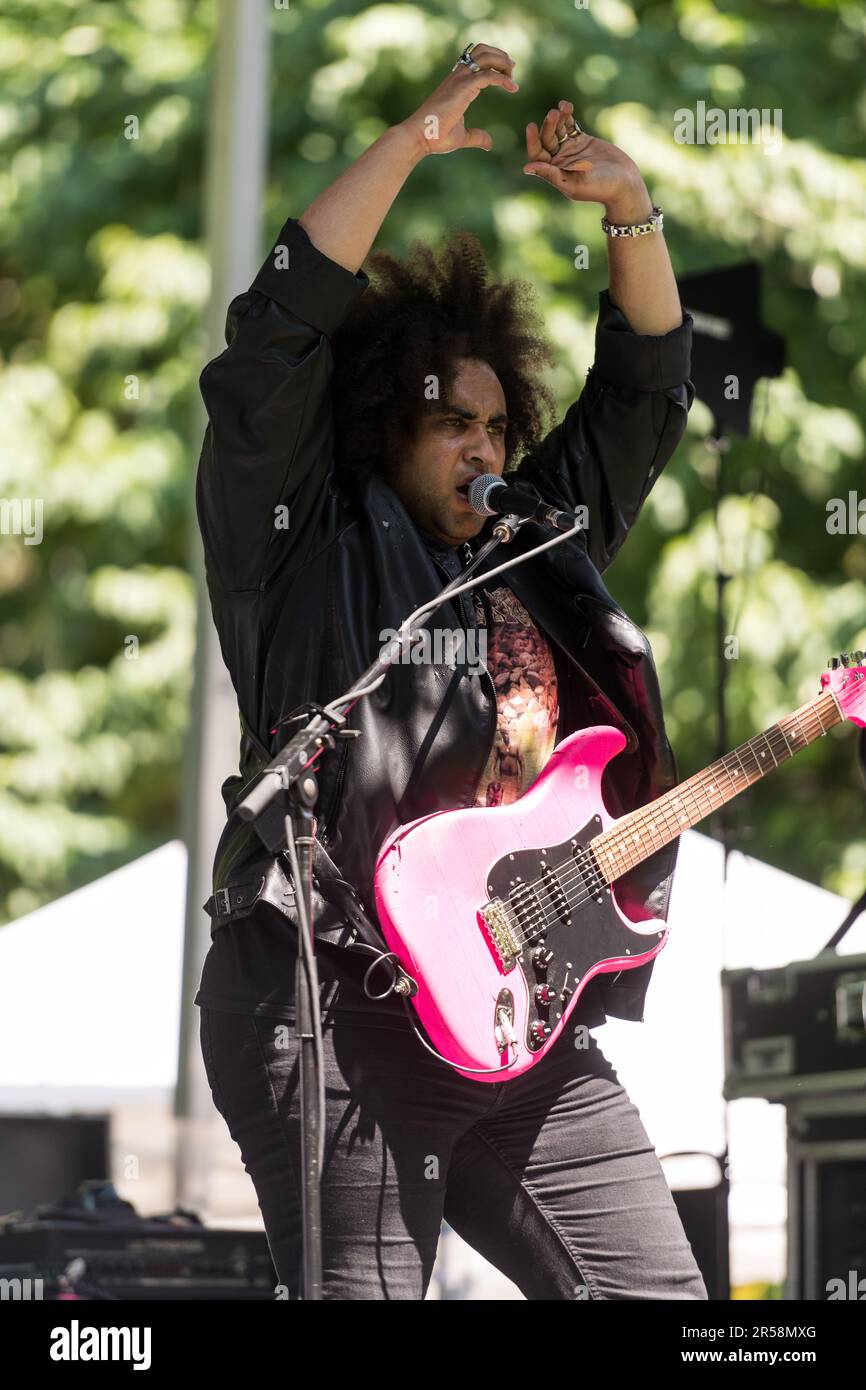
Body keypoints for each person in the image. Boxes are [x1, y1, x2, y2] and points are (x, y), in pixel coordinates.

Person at [194, 40, 706, 1300]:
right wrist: (412, 143)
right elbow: (272, 334)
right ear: (384, 426)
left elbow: (645, 389)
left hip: (517, 1008)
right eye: (450, 423)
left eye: (495, 423)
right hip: (336, 1007)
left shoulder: (533, 538)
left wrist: (629, 208)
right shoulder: (304, 537)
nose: (482, 446)